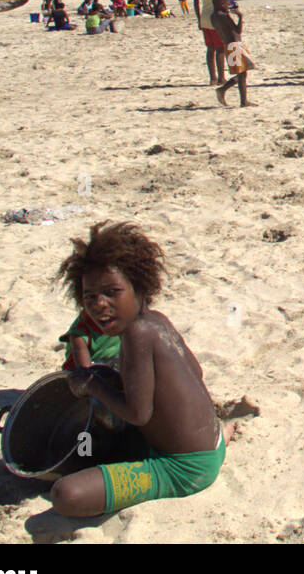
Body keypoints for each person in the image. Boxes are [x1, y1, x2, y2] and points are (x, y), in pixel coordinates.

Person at [48, 221, 225, 516]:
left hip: (184, 469)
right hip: (212, 444)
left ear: (140, 287)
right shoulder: (157, 321)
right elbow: (196, 372)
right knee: (94, 446)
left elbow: (138, 413)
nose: (100, 305)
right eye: (90, 297)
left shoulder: (136, 335)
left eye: (112, 292)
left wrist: (92, 384)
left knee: (66, 494)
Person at [211, 0, 255, 107]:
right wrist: (240, 17)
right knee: (242, 74)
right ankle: (238, 98)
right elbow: (238, 31)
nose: (228, 5)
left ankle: (225, 91)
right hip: (235, 45)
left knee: (243, 73)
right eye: (227, 3)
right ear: (221, 3)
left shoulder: (214, 16)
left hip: (228, 45)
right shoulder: (223, 16)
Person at [192, 0, 226, 86]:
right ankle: (221, 77)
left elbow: (196, 3)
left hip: (204, 17)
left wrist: (198, 19)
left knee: (210, 49)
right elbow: (222, 1)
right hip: (216, 17)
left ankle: (212, 78)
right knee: (220, 49)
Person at [61, 305, 120, 369]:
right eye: (91, 297)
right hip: (83, 370)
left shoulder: (124, 320)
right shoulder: (79, 333)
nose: (101, 303)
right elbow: (85, 372)